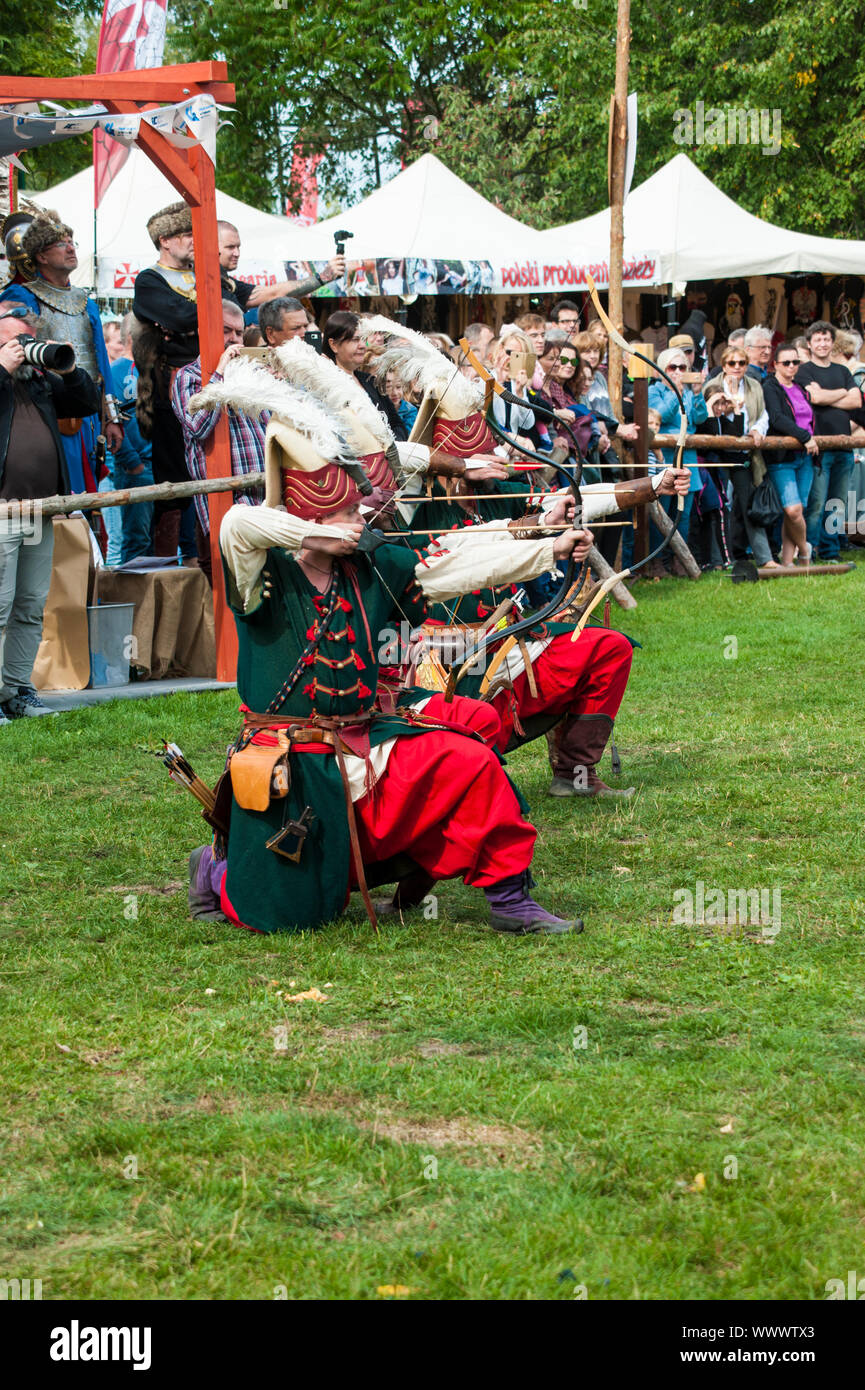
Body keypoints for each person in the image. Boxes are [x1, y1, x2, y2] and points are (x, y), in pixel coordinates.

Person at [188, 385, 594, 936]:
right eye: (349, 508)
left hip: (365, 739)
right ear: (311, 509)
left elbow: (454, 566)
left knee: (468, 761)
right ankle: (216, 871)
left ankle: (510, 899)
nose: (362, 515)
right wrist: (319, 535)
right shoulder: (263, 574)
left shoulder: (374, 563)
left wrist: (547, 549)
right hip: (294, 761)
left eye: (358, 507)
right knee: (293, 915)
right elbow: (236, 525)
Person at [0, 310, 101, 722]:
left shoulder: (38, 382)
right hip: (2, 511)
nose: (26, 348)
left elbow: (84, 404)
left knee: (29, 604)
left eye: (30, 340)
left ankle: (18, 690)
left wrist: (70, 368)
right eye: (17, 340)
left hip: (39, 510)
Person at [0, 213, 123, 495]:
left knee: (89, 488)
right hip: (47, 404)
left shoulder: (86, 302)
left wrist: (112, 416)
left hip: (86, 403)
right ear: (41, 256)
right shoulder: (19, 296)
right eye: (61, 244)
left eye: (72, 242)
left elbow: (101, 362)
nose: (71, 248)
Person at [170, 300, 265, 570]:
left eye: (238, 332)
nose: (234, 339)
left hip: (268, 501)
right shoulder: (189, 376)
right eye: (226, 331)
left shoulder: (252, 373)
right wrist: (220, 374)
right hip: (226, 508)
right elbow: (198, 426)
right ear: (205, 331)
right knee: (233, 596)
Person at [132, 201, 201, 557]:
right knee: (174, 480)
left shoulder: (206, 272)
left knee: (210, 476)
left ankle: (203, 560)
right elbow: (180, 318)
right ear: (165, 240)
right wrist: (200, 319)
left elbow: (246, 299)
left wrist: (321, 277)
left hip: (208, 386)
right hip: (170, 390)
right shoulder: (148, 280)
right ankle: (169, 567)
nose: (194, 239)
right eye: (186, 233)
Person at [703, 344, 778, 570]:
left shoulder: (754, 385)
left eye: (741, 363)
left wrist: (757, 430)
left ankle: (765, 557)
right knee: (719, 506)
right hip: (717, 453)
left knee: (749, 505)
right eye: (731, 363)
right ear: (723, 366)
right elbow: (709, 418)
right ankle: (719, 560)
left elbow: (763, 415)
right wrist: (729, 407)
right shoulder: (713, 386)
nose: (737, 367)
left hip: (745, 453)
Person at [796, 320, 863, 562]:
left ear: (833, 343)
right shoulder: (804, 371)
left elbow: (856, 401)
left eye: (826, 339)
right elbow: (812, 396)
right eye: (818, 340)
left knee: (837, 503)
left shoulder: (842, 371)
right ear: (810, 344)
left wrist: (826, 397)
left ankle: (830, 550)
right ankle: (810, 550)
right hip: (819, 448)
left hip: (844, 447)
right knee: (817, 502)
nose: (823, 344)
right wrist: (840, 394)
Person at [99, 313, 154, 566]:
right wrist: (133, 463)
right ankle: (134, 601)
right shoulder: (115, 372)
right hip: (136, 468)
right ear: (133, 336)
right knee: (136, 541)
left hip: (157, 465)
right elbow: (113, 422)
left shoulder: (153, 370)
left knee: (155, 540)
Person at [763, 344, 818, 566]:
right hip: (782, 457)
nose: (791, 366)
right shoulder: (770, 387)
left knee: (796, 512)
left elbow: (810, 416)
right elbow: (776, 418)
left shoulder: (801, 388)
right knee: (792, 509)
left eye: (795, 362)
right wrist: (804, 436)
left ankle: (787, 561)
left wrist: (810, 438)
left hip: (805, 457)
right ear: (775, 364)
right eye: (786, 362)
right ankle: (805, 549)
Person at [217, 221, 344, 312]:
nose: (237, 253)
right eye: (230, 247)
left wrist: (323, 277)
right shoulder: (199, 282)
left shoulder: (229, 284)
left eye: (238, 247)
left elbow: (273, 293)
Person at [322, 310, 407, 441]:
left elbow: (396, 423)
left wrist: (392, 447)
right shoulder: (324, 384)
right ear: (334, 345)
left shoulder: (370, 381)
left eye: (363, 339)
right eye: (355, 340)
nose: (363, 345)